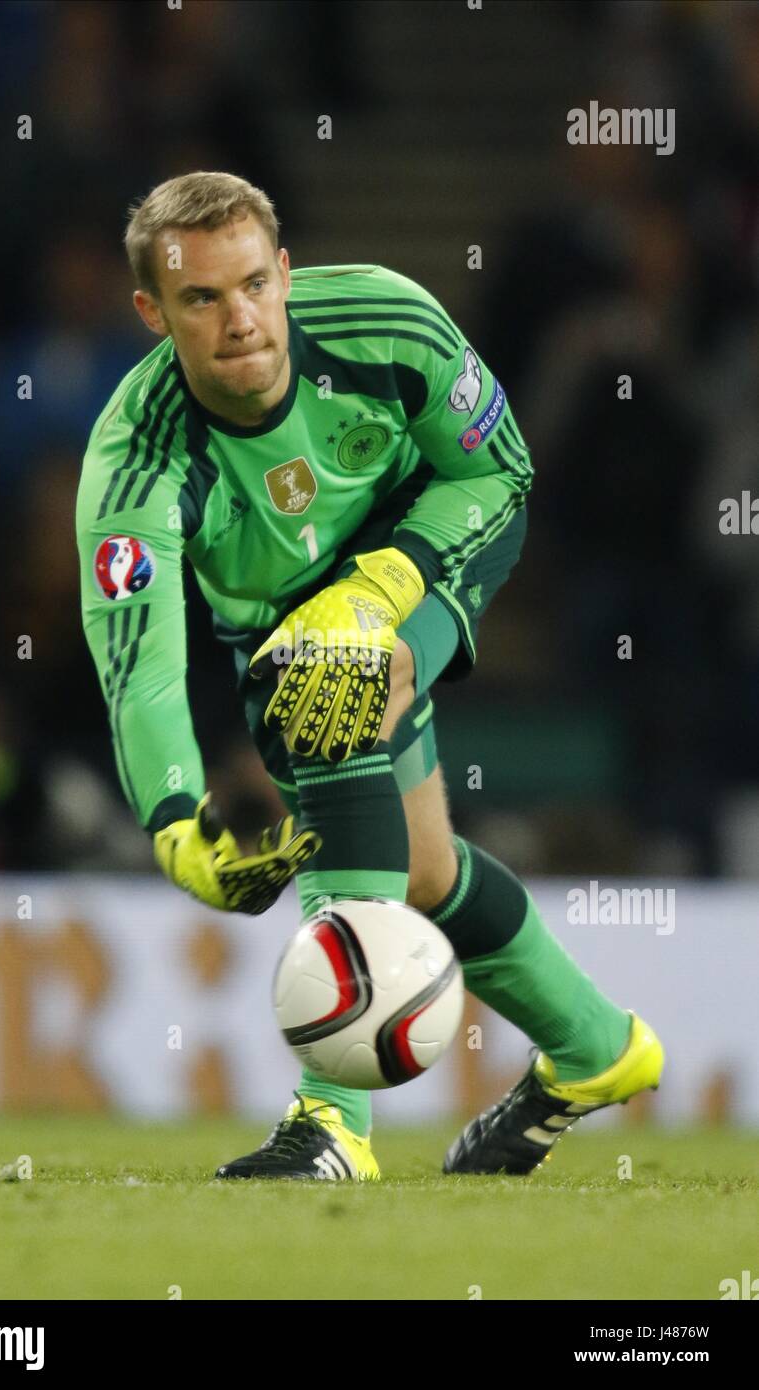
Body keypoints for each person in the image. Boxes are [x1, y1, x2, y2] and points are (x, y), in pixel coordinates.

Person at [76, 171, 664, 1181]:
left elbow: (499, 468)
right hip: (274, 626)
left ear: (285, 272)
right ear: (152, 312)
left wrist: (389, 581)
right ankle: (597, 1048)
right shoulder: (136, 463)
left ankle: (332, 1123)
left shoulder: (384, 318)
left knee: (334, 677)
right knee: (420, 874)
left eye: (254, 283)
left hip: (425, 554)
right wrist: (175, 821)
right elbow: (144, 670)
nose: (239, 320)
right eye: (201, 299)